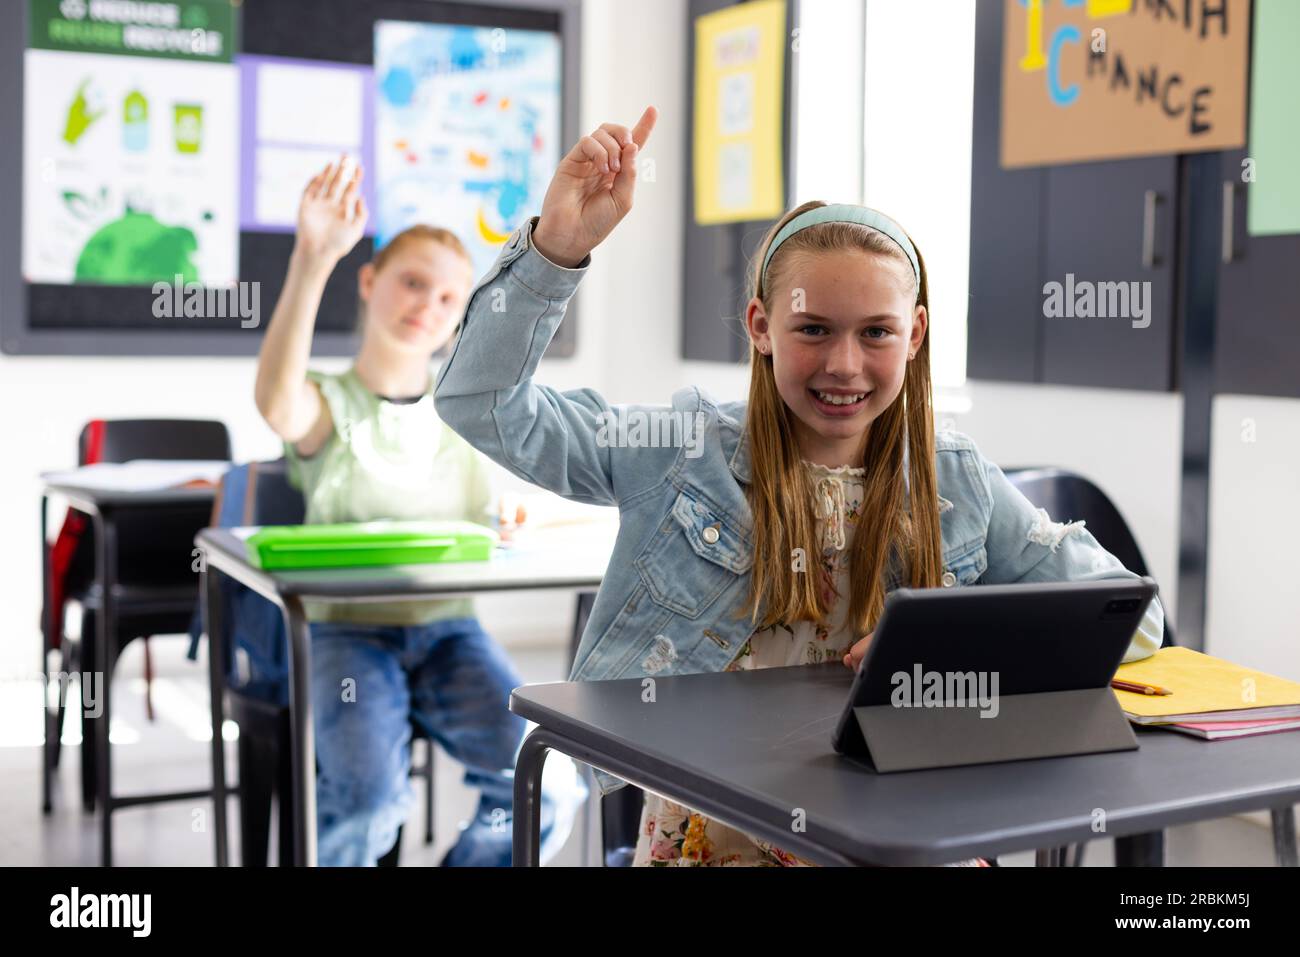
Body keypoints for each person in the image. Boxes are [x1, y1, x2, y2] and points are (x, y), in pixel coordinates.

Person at [434, 109, 1162, 866]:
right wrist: (554, 252)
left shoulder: (955, 478)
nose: (844, 364)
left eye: (876, 332)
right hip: (718, 836)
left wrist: (961, 642)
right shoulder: (682, 452)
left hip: (901, 827)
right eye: (813, 329)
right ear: (760, 325)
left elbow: (1130, 615)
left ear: (914, 337)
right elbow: (482, 405)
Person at [254, 157, 581, 866]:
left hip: (448, 632)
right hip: (348, 636)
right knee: (369, 800)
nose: (427, 305)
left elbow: (502, 512)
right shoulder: (329, 404)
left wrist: (516, 517)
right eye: (411, 282)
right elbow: (277, 401)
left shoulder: (462, 406)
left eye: (447, 297)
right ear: (369, 283)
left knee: (552, 782)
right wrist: (313, 258)